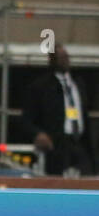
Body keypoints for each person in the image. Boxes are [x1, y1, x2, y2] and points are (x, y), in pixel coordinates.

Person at [21, 44, 96, 176]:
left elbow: (84, 113)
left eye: (66, 57)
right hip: (57, 144)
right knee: (57, 180)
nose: (64, 60)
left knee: (87, 177)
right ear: (52, 60)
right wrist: (38, 134)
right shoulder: (41, 87)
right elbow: (27, 119)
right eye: (60, 57)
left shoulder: (77, 83)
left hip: (79, 142)